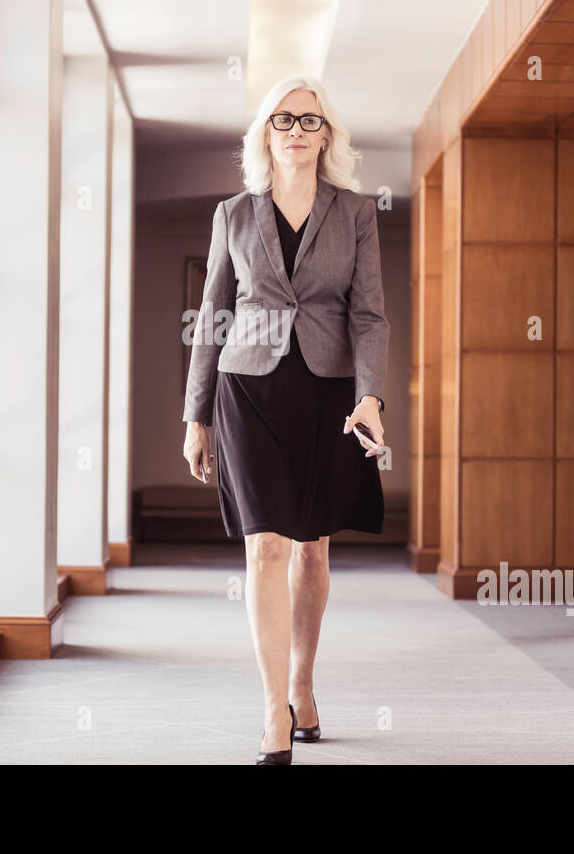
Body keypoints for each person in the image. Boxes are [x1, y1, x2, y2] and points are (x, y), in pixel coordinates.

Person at [181, 75, 389, 764]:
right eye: (283, 119)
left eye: (310, 119)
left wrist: (370, 396)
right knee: (264, 546)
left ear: (327, 135)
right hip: (249, 391)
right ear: (266, 134)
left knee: (313, 548)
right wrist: (196, 415)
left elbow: (369, 315)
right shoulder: (233, 216)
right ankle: (274, 708)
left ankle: (303, 679)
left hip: (329, 393)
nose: (297, 129)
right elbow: (212, 318)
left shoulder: (356, 213)